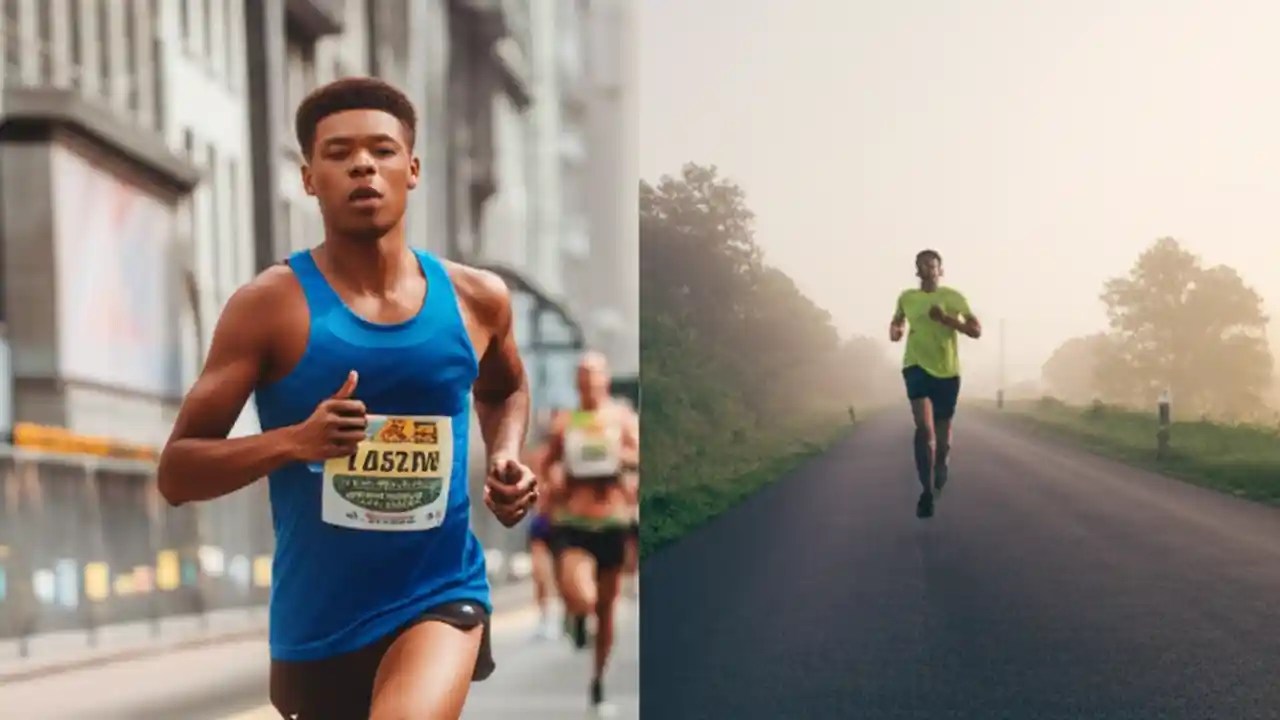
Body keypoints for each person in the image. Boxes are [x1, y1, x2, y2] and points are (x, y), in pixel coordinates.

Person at [156, 77, 538, 720]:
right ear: (309, 178)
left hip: (440, 594)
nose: (363, 164)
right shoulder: (268, 306)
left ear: (412, 169)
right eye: (339, 153)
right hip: (317, 626)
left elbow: (505, 388)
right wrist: (293, 442)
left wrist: (506, 455)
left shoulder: (477, 299)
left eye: (382, 150)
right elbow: (177, 472)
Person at [544, 351, 639, 712]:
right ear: (576, 381)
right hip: (574, 520)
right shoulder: (565, 421)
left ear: (606, 379)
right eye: (582, 373)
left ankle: (598, 682)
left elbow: (639, 456)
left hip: (613, 520)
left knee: (607, 610)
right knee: (583, 595)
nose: (588, 379)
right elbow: (547, 463)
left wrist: (619, 458)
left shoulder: (622, 418)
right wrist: (554, 477)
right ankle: (577, 614)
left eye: (594, 373)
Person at [889, 250, 981, 519]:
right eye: (922, 266)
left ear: (941, 270)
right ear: (917, 270)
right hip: (915, 367)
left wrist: (947, 320)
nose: (928, 270)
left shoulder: (954, 297)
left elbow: (976, 330)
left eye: (932, 266)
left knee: (942, 440)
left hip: (947, 371)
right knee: (923, 428)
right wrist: (896, 331)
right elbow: (897, 322)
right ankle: (926, 492)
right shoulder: (907, 297)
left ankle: (941, 464)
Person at [523, 409, 565, 640]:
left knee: (564, 574)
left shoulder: (568, 456)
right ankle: (546, 617)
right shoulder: (536, 455)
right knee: (540, 571)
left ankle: (571, 614)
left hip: (564, 520)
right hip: (540, 520)